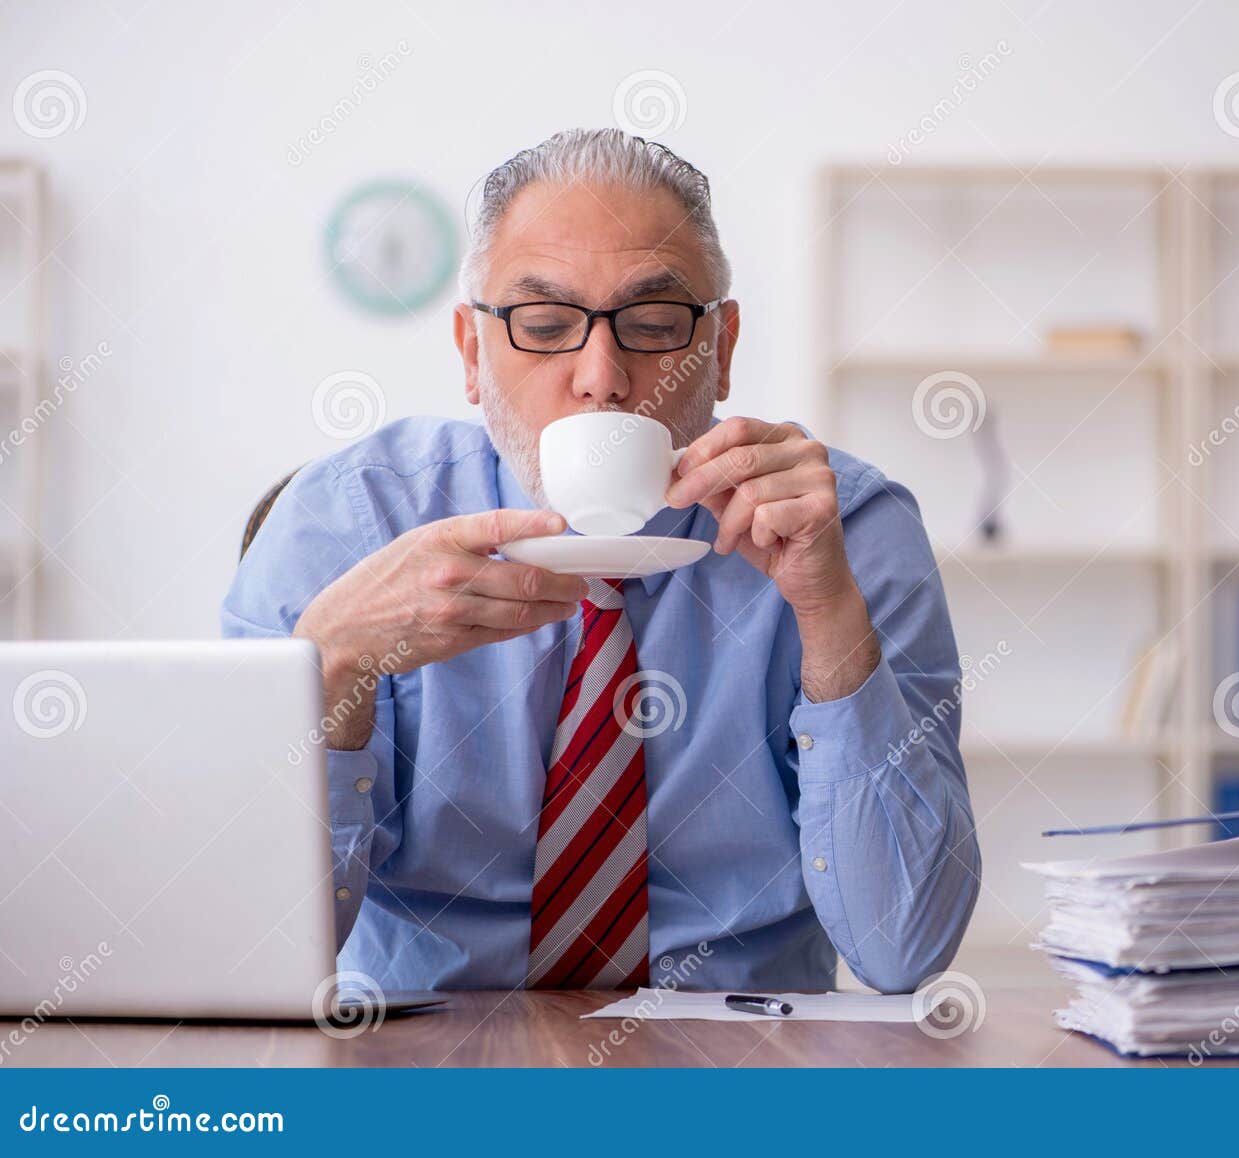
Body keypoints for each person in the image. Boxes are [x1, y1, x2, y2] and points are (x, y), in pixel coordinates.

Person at [222, 128, 980, 994]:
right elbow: (245, 950)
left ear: (722, 350)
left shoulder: (841, 529)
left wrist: (830, 616)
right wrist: (333, 670)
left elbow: (905, 947)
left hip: (738, 1054)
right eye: (545, 327)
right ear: (472, 354)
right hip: (423, 1047)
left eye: (653, 326)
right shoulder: (342, 524)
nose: (601, 376)